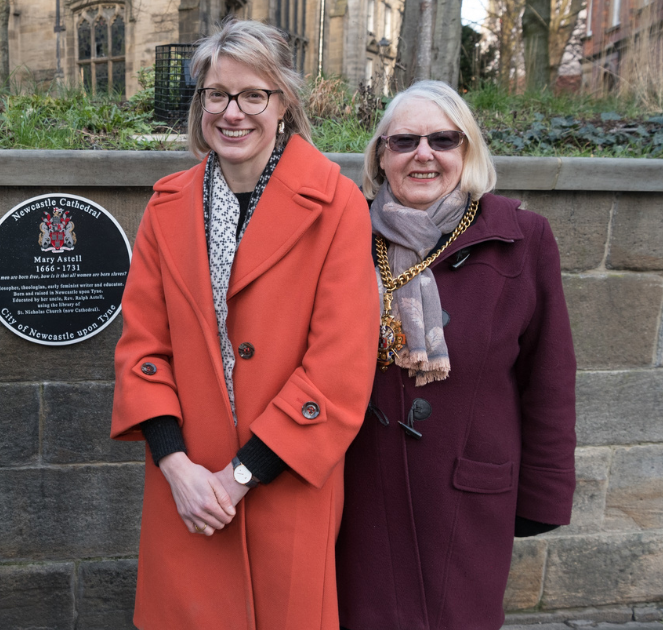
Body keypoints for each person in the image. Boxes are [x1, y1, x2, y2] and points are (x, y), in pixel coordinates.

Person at [110, 19, 379, 630]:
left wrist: (238, 479)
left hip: (283, 483)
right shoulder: (168, 203)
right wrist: (177, 467)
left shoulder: (336, 204)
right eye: (217, 94)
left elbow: (340, 366)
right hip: (188, 491)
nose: (233, 112)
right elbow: (142, 349)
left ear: (283, 103)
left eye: (253, 95)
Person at [336, 80, 577, 630]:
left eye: (443, 139)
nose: (424, 154)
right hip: (360, 493)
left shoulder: (522, 237)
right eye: (404, 142)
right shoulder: (344, 233)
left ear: (466, 151)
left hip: (465, 501)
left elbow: (550, 378)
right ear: (380, 156)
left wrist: (542, 495)